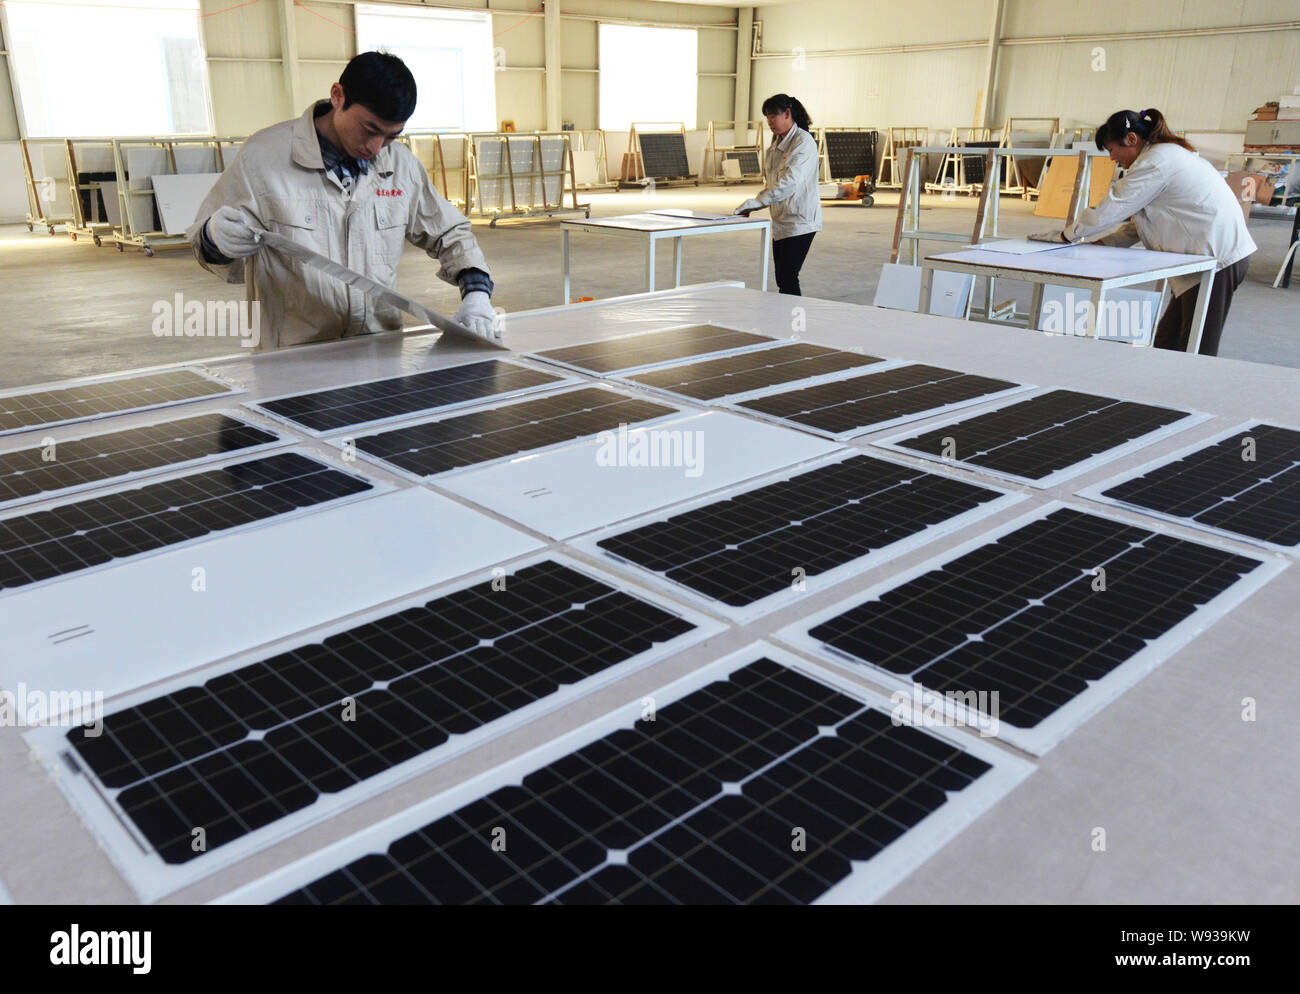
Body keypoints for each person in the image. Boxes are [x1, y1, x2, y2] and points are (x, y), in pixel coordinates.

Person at [188, 52, 500, 351]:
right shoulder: (263, 157)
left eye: (393, 136)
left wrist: (476, 293)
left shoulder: (401, 166)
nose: (377, 147)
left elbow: (449, 233)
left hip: (380, 354)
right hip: (293, 362)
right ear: (338, 96)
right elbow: (204, 245)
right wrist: (214, 237)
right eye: (370, 130)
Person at [1034, 108, 1256, 356]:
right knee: (1167, 341)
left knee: (1197, 345)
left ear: (1131, 139)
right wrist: (1106, 243)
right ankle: (1159, 388)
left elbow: (1113, 207)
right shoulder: (1161, 158)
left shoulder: (1157, 163)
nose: (1111, 158)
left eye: (1111, 149)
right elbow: (1144, 222)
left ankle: (1187, 392)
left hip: (1217, 259)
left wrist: (1067, 236)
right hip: (1202, 257)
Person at [734, 94, 822, 296]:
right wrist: (754, 205)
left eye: (774, 115)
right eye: (767, 117)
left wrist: (755, 203)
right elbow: (772, 182)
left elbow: (789, 183)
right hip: (781, 220)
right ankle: (786, 320)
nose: (770, 121)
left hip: (801, 221)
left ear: (788, 113)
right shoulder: (775, 146)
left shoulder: (803, 142)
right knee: (783, 277)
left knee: (788, 277)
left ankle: (793, 323)